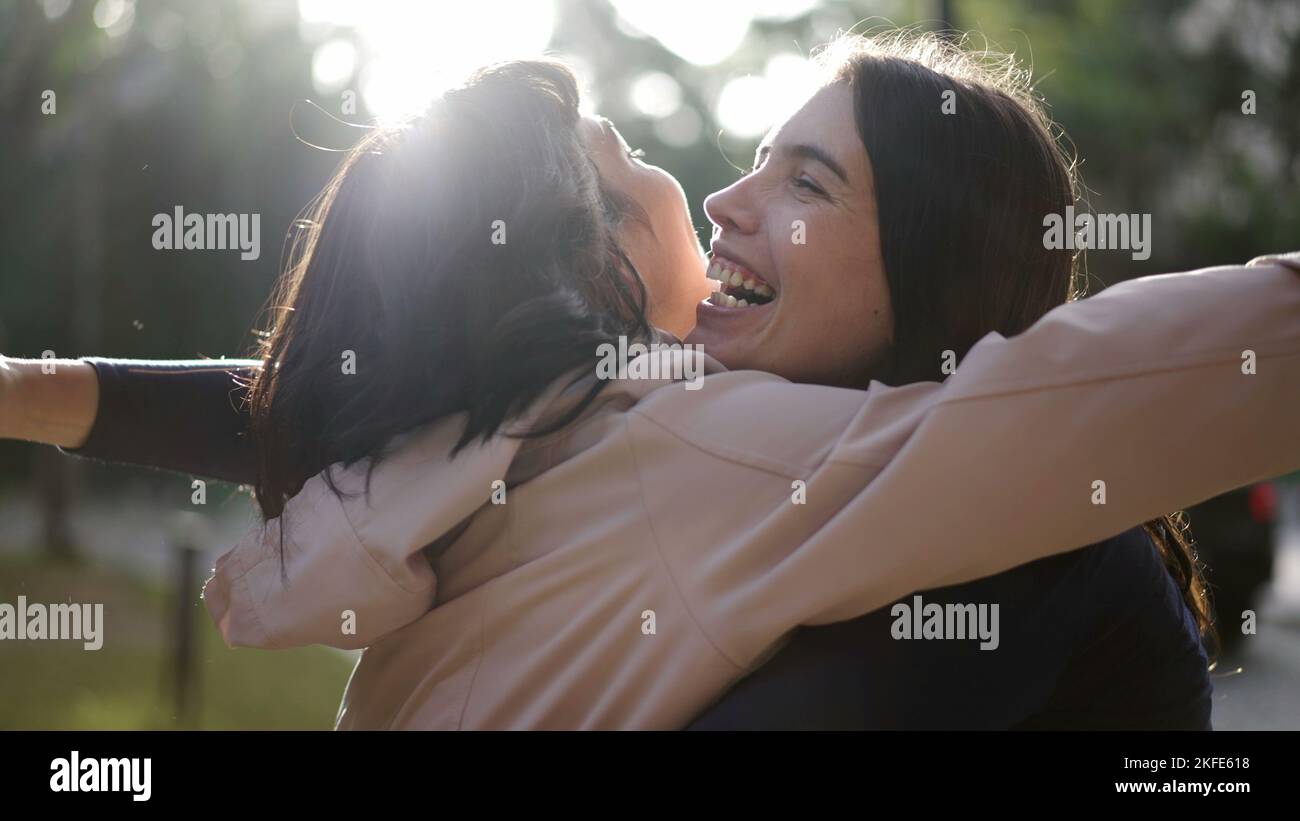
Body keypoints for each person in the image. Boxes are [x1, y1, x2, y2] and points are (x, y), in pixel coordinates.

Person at [2, 39, 1298, 729]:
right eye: (746, 160)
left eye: (807, 182)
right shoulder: (680, 427)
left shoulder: (590, 428)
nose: (730, 201)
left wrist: (29, 387)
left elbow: (1134, 371)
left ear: (937, 270)